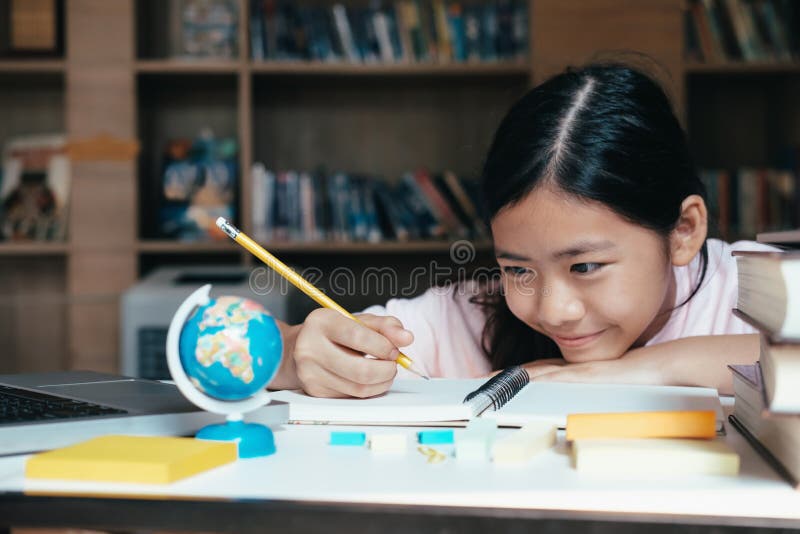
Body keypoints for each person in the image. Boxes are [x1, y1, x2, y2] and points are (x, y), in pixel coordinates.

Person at [267, 62, 773, 398]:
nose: (553, 310)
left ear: (684, 231)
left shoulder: (760, 287)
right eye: (517, 268)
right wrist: (293, 354)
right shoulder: (469, 313)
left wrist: (637, 371)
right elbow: (273, 345)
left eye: (586, 266)